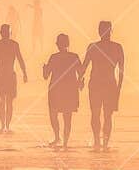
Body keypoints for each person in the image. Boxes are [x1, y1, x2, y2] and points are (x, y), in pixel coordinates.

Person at [83, 20, 125, 150]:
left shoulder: (93, 47)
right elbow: (121, 71)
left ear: (99, 31)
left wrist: (78, 79)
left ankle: (97, 142)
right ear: (110, 31)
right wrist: (119, 88)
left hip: (96, 84)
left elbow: (83, 67)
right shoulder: (117, 47)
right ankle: (105, 144)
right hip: (110, 85)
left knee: (95, 114)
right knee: (107, 116)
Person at [42, 33, 83, 148]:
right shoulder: (74, 57)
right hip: (70, 90)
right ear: (68, 44)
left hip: (55, 90)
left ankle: (57, 137)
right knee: (67, 117)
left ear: (58, 45)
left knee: (53, 115)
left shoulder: (54, 57)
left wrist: (44, 69)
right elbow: (81, 73)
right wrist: (80, 83)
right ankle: (65, 142)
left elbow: (45, 76)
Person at [0, 22, 27, 133]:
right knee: (6, 102)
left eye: (7, 33)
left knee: (4, 102)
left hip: (4, 76)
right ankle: (5, 125)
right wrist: (24, 73)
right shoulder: (11, 45)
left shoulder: (0, 45)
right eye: (6, 33)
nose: (6, 34)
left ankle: (5, 125)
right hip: (6, 76)